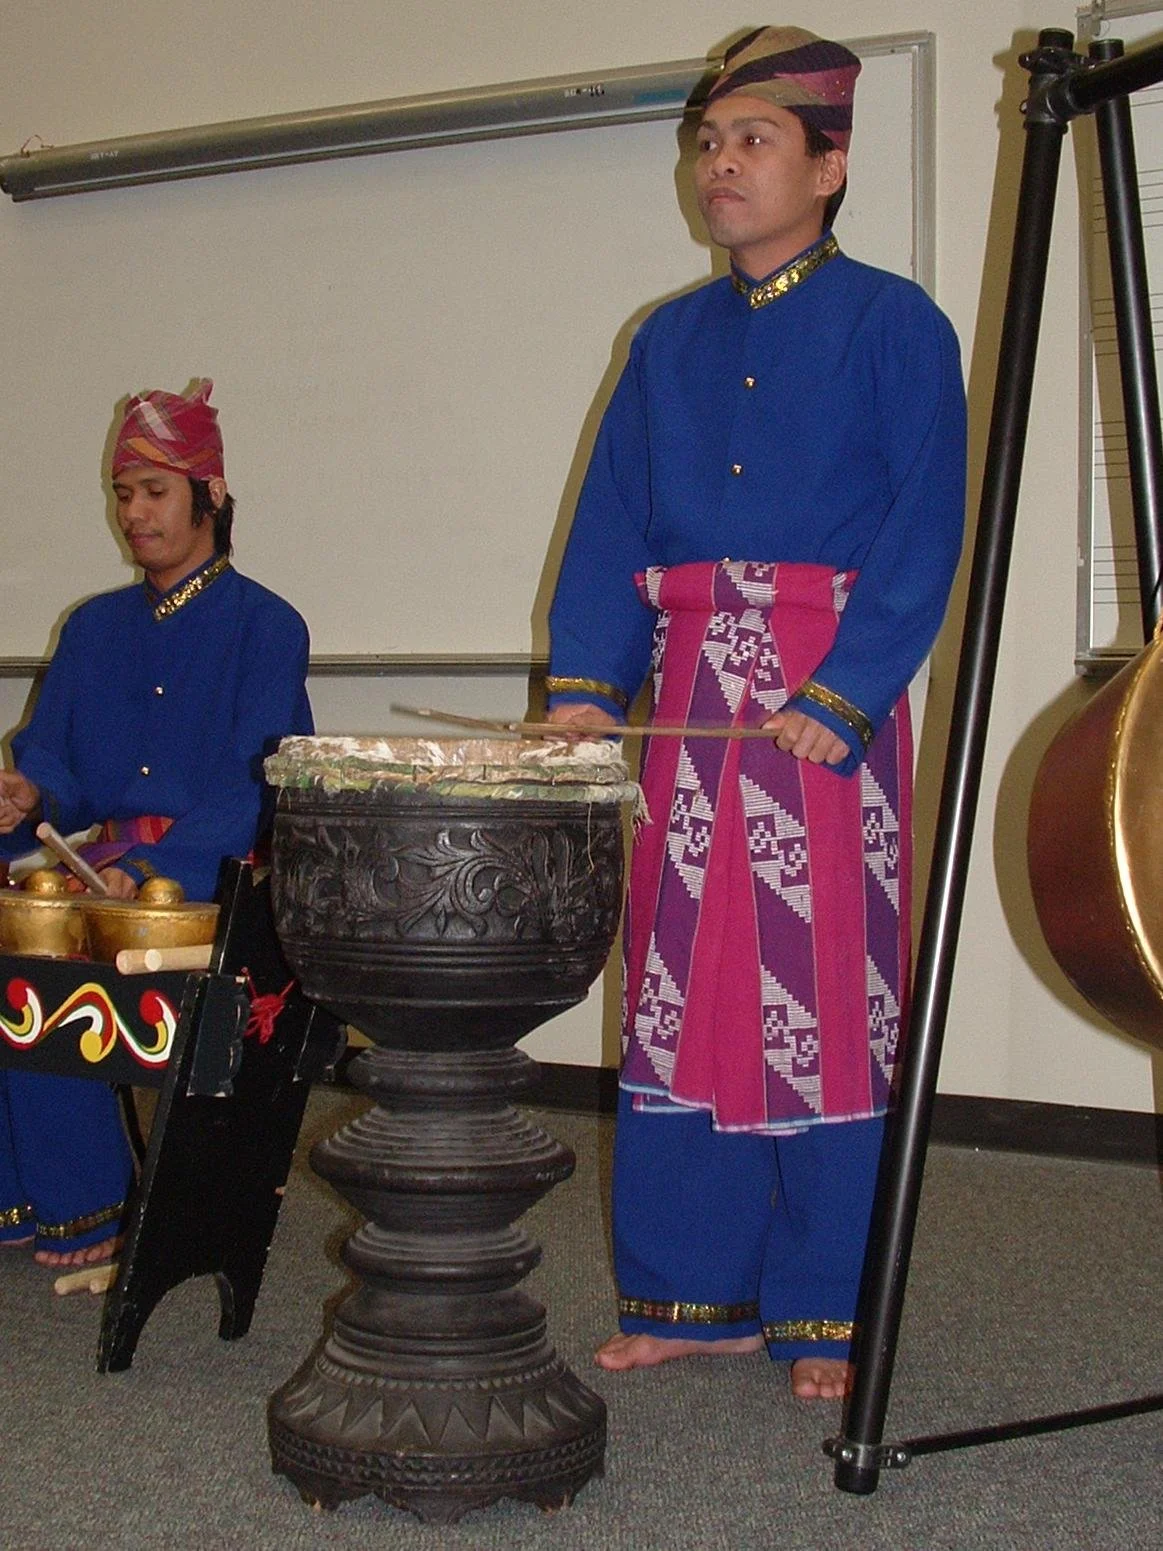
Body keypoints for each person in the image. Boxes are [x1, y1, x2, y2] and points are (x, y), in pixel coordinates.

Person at [545, 26, 967, 1399]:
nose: (719, 164)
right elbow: (612, 525)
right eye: (708, 141)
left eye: (754, 141)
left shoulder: (895, 321)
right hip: (687, 710)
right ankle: (688, 1289)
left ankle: (825, 1307)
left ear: (829, 163)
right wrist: (583, 690)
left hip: (814, 702)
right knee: (675, 993)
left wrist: (842, 693)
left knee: (819, 1000)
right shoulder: (660, 340)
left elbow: (923, 525)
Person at [0, 379, 313, 1275]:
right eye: (121, 494)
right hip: (96, 863)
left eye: (154, 492)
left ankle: (88, 1200)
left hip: (201, 872)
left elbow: (264, 783)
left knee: (55, 946)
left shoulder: (266, 625)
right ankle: (18, 1189)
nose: (133, 513)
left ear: (209, 496)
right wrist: (28, 797)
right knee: (24, 911)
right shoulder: (93, 628)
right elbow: (55, 765)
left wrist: (155, 861)